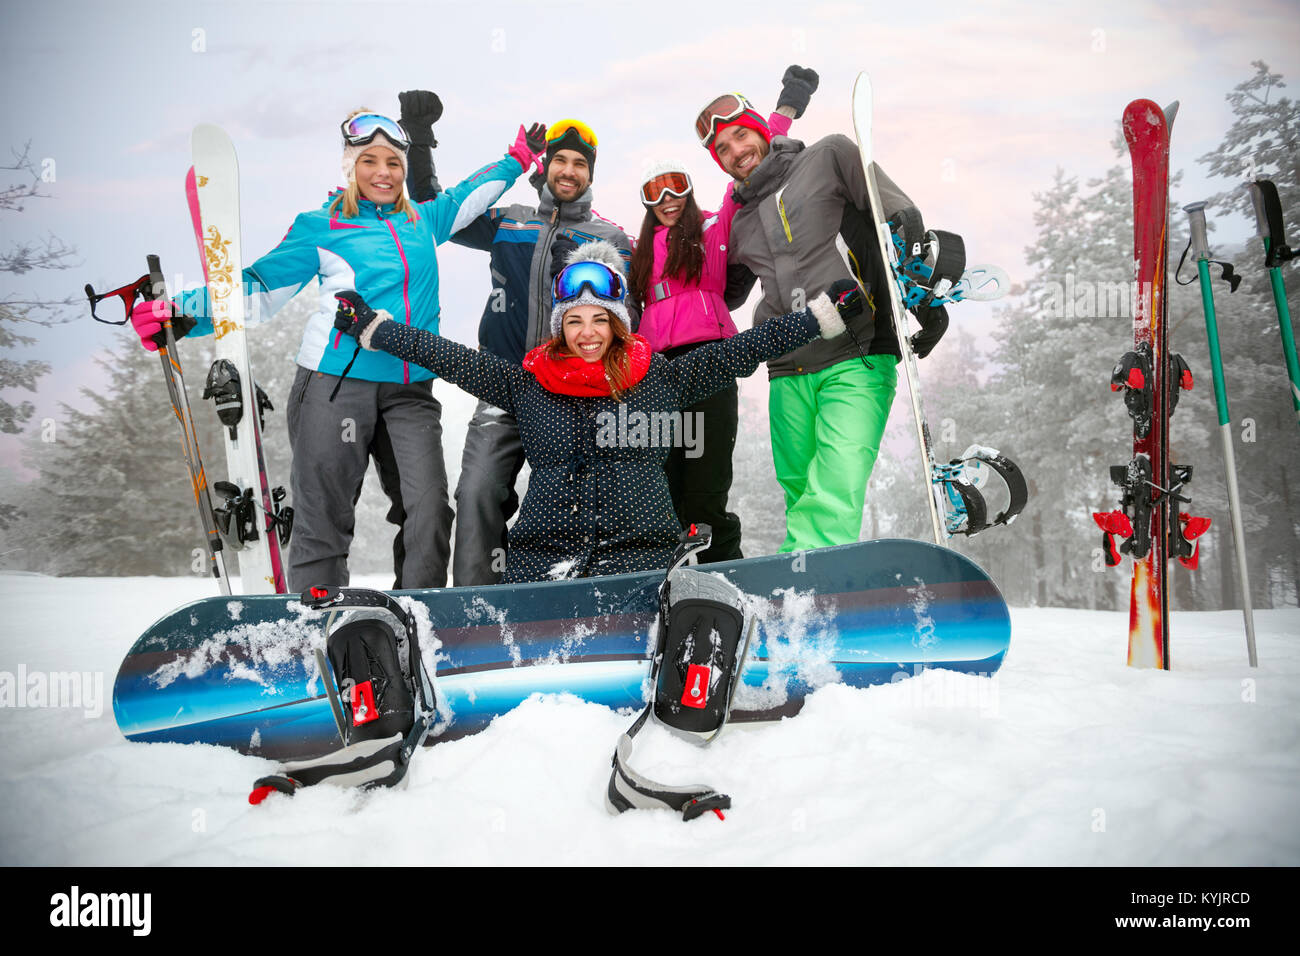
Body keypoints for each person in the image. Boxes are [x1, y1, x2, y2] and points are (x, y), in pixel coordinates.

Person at [130, 109, 543, 590]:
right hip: (334, 385)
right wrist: (182, 312)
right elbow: (260, 289)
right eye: (370, 160)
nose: (384, 172)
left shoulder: (422, 221)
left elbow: (467, 197)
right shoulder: (320, 225)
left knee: (428, 509)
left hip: (410, 389)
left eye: (393, 162)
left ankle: (417, 621)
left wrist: (516, 160)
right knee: (324, 514)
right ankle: (318, 623)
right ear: (350, 166)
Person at [330, 241, 855, 583]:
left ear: (618, 323)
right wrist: (373, 328)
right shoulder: (526, 383)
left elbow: (744, 349)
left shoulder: (660, 379)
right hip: (542, 568)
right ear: (561, 326)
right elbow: (447, 357)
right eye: (574, 320)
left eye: (599, 319)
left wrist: (822, 315)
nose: (586, 333)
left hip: (644, 565)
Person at [695, 90, 946, 552]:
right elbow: (722, 292)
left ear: (761, 128)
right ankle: (804, 592)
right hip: (787, 368)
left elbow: (899, 219)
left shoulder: (828, 156)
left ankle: (807, 588)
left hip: (857, 353)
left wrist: (924, 296)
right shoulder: (739, 218)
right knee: (798, 489)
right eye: (722, 150)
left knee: (836, 483)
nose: (736, 153)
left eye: (740, 135)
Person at [401, 100, 636, 586]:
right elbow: (434, 210)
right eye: (560, 160)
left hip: (573, 394)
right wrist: (419, 137)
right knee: (478, 492)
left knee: (569, 501)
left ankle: (558, 597)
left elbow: (626, 318)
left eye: (580, 164)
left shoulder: (609, 236)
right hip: (503, 384)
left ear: (590, 175)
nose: (568, 171)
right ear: (544, 166)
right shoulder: (509, 220)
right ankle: (475, 606)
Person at [629, 66, 817, 563]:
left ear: (691, 188)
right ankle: (659, 577)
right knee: (658, 480)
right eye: (654, 191)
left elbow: (757, 161)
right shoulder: (636, 253)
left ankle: (719, 573)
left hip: (710, 361)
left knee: (705, 483)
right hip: (656, 371)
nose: (667, 199)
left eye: (676, 186)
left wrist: (788, 105)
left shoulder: (714, 226)